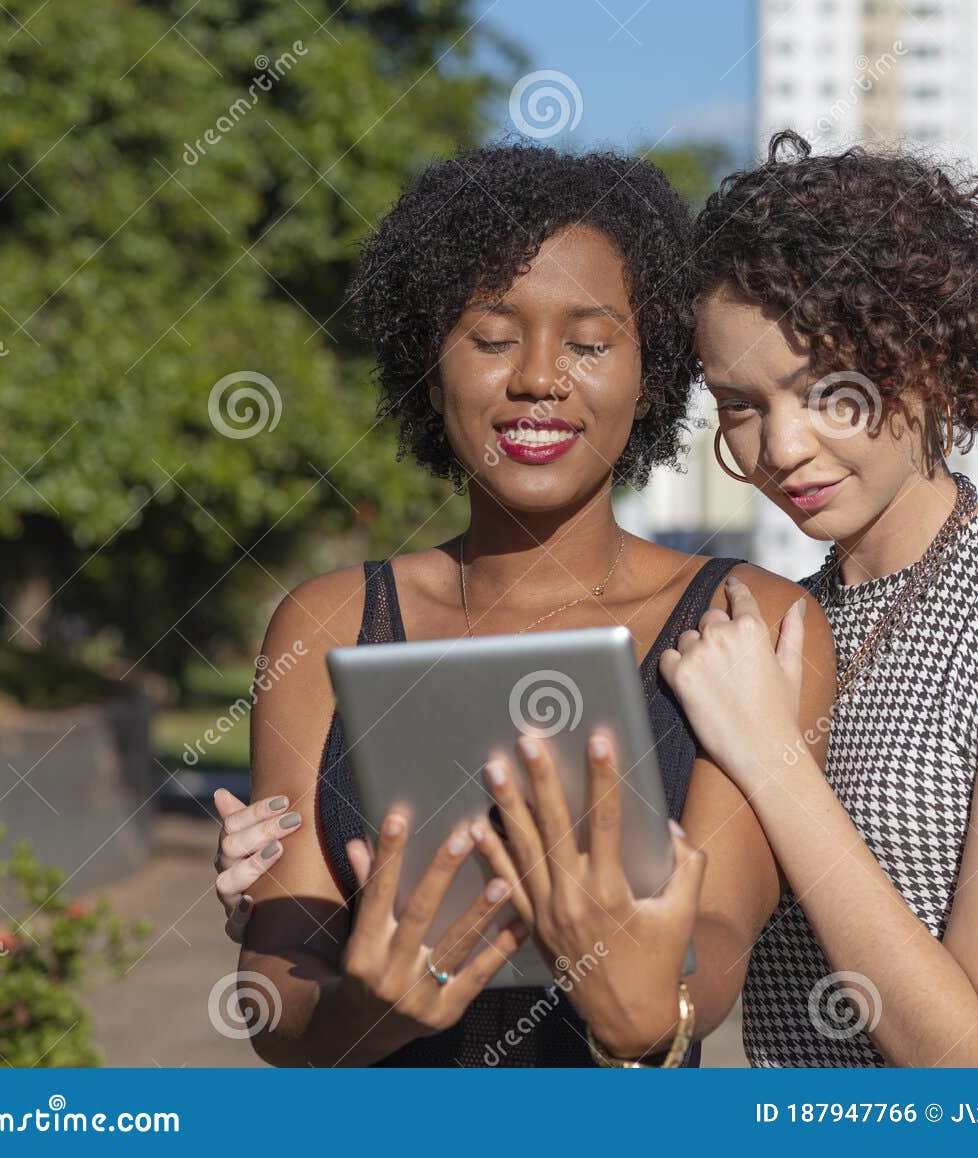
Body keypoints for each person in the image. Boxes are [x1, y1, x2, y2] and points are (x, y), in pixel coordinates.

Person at [220, 131, 978, 1067]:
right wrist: (304, 924)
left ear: (931, 360)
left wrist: (768, 761)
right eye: (742, 406)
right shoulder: (784, 616)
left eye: (829, 393)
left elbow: (976, 1062)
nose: (784, 446)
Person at [223, 141, 826, 1068]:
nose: (539, 378)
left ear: (651, 374)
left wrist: (643, 1005)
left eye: (588, 344)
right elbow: (275, 997)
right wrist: (371, 1012)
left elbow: (716, 939)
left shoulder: (750, 618)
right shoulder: (327, 621)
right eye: (493, 338)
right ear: (430, 365)